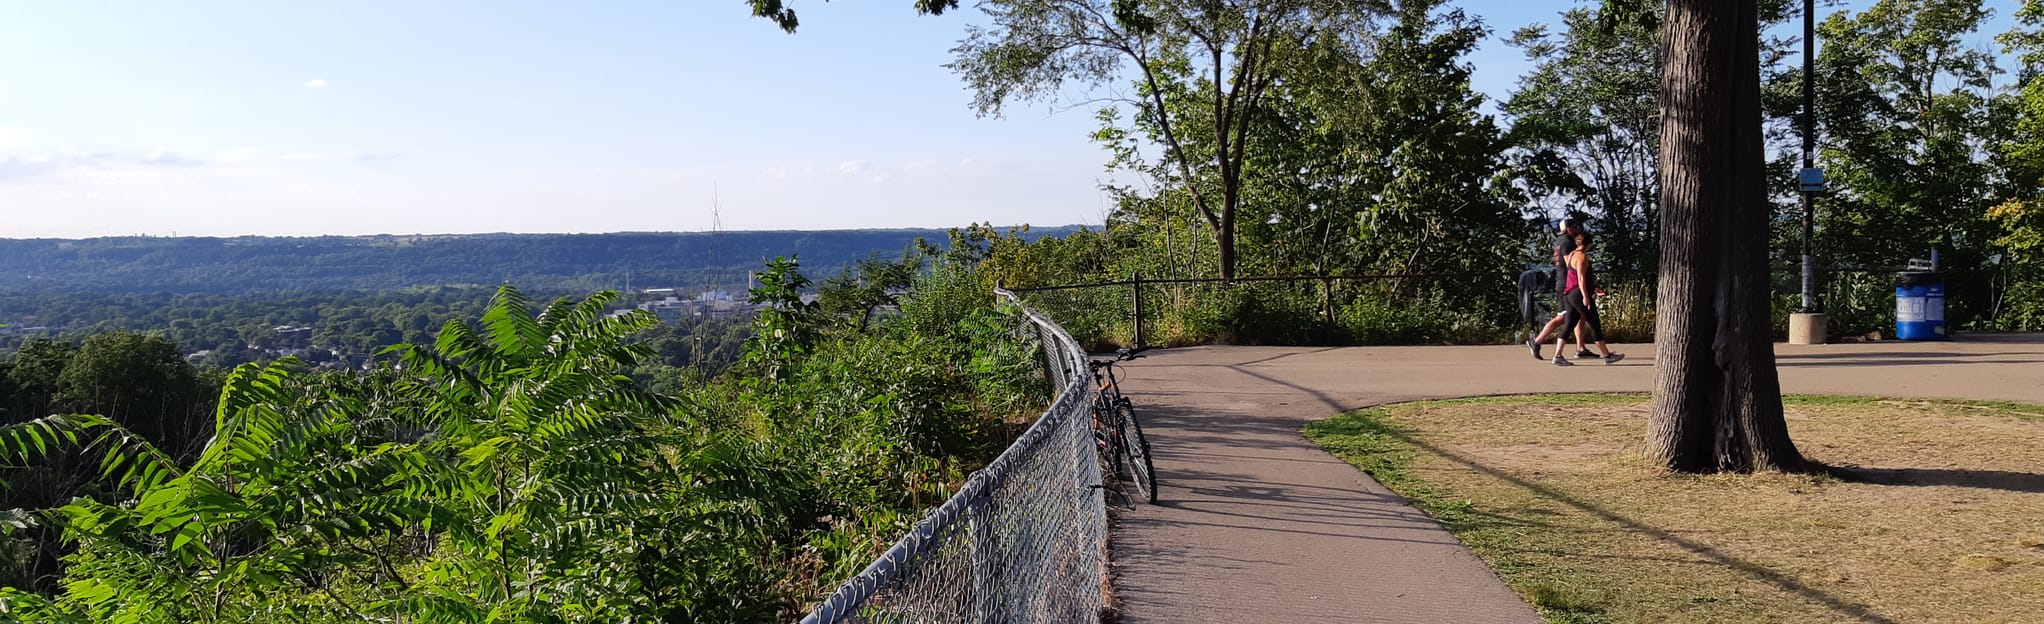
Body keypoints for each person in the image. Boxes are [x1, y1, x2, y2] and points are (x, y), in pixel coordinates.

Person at [1534, 231, 1623, 366]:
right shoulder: (1582, 257)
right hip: (1578, 294)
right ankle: (1607, 355)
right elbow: (1580, 278)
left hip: (1569, 294)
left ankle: (1558, 355)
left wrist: (1592, 288)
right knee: (1595, 324)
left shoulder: (1571, 255)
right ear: (1589, 244)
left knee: (1569, 325)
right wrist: (1586, 296)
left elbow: (1573, 276)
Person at [1528, 217, 1591, 360]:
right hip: (1567, 284)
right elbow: (1571, 265)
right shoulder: (1568, 243)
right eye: (1574, 227)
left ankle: (1581, 348)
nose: (1577, 230)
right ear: (1568, 229)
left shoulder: (1559, 242)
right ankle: (1537, 341)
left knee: (1579, 315)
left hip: (1565, 282)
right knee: (1562, 317)